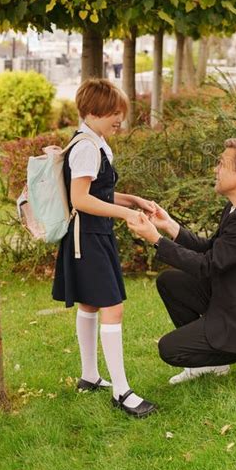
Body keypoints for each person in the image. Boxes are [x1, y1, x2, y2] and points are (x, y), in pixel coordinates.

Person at [128, 138, 236, 389]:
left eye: (221, 163)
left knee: (170, 349)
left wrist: (155, 239)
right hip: (234, 294)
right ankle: (210, 363)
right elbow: (212, 251)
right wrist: (170, 227)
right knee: (171, 281)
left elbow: (206, 266)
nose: (215, 169)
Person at [52, 78, 157, 417]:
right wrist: (126, 212)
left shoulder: (92, 142)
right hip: (88, 238)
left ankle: (90, 377)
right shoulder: (86, 147)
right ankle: (122, 392)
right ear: (92, 112)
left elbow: (98, 193)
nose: (119, 120)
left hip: (92, 237)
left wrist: (133, 199)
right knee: (112, 308)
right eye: (113, 113)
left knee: (91, 305)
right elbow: (80, 199)